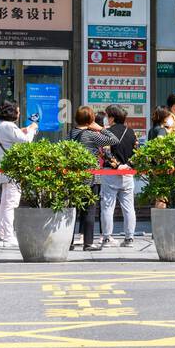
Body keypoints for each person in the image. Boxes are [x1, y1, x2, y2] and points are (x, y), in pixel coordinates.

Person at [70, 105, 118, 252]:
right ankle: (88, 243)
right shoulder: (91, 135)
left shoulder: (72, 133)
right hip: (91, 178)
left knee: (73, 210)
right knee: (89, 210)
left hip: (74, 177)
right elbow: (114, 140)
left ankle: (69, 241)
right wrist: (101, 128)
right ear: (90, 119)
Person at [0, 100, 38, 250]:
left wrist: (24, 129)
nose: (19, 114)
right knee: (11, 204)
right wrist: (31, 129)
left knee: (5, 203)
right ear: (12, 112)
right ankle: (8, 237)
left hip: (4, 169)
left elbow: (14, 137)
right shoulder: (9, 126)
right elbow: (26, 141)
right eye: (17, 111)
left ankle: (3, 235)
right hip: (12, 170)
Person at [99, 104, 138, 249]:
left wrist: (116, 165)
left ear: (112, 117)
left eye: (107, 115)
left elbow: (106, 152)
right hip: (127, 174)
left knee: (108, 206)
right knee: (128, 207)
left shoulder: (107, 132)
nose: (106, 118)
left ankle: (107, 238)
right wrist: (128, 165)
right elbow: (137, 152)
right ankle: (129, 239)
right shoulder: (131, 132)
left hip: (110, 174)